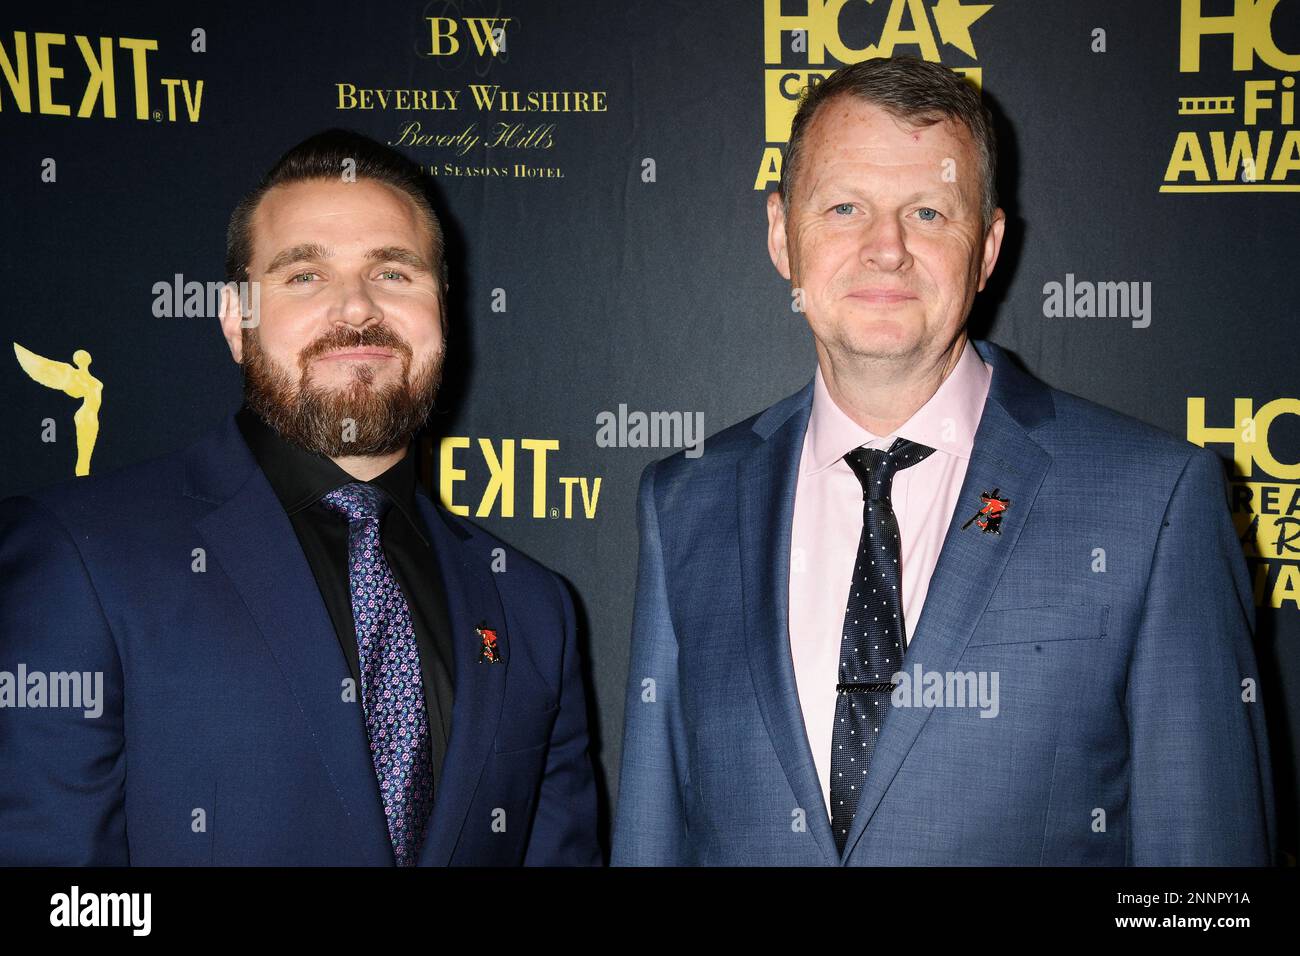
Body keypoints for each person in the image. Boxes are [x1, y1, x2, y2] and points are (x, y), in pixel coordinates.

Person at [612, 57, 1275, 865]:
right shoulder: (684, 501)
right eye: (845, 206)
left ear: (988, 247)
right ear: (783, 234)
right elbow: (651, 840)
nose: (885, 248)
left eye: (928, 212)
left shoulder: (1152, 499)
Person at [0, 129, 600, 866]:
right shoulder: (83, 559)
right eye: (305, 276)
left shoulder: (533, 607)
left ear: (443, 311)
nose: (356, 309)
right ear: (235, 321)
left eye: (394, 273)